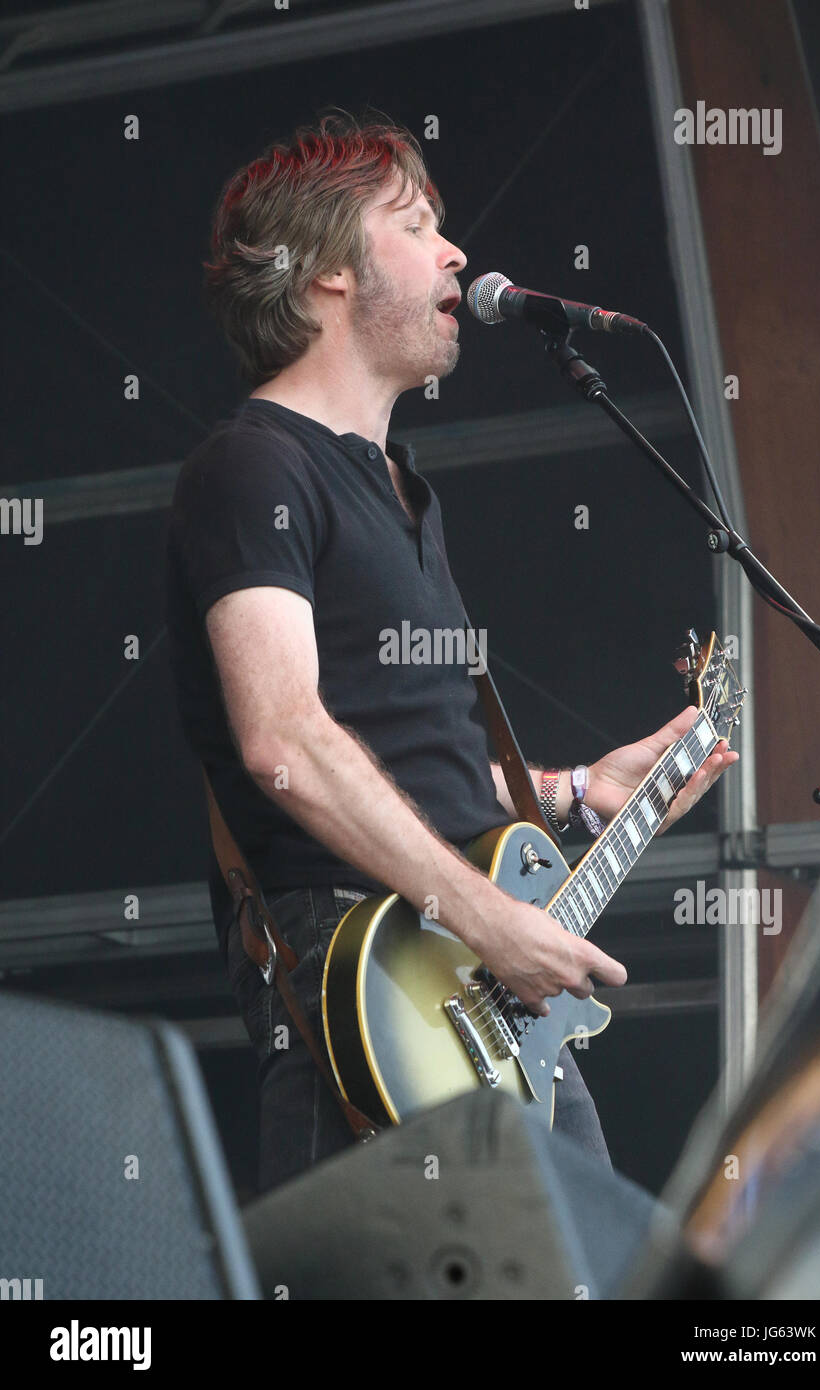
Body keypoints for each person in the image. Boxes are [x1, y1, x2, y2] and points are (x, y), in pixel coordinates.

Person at [165, 111, 737, 1194]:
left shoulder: (402, 492)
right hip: (367, 991)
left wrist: (571, 791)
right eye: (417, 224)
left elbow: (391, 763)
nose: (456, 254)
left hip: (478, 991)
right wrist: (483, 915)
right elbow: (283, 739)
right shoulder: (250, 469)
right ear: (326, 269)